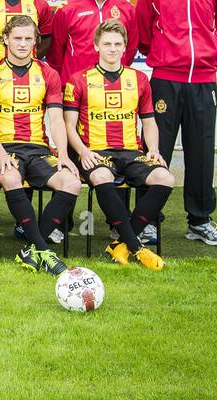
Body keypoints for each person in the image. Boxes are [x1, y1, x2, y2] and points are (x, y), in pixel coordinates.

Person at [134, 0, 217, 247]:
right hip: (165, 80)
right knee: (156, 151)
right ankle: (148, 221)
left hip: (203, 82)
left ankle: (199, 221)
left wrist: (207, 57)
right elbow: (143, 29)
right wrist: (162, 56)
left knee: (201, 152)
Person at [63, 19, 172, 269]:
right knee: (101, 176)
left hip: (131, 152)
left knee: (165, 179)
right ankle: (136, 246)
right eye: (107, 44)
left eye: (118, 44)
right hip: (96, 152)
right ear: (96, 46)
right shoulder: (79, 79)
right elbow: (69, 126)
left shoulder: (139, 79)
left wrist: (153, 149)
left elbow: (149, 122)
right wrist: (82, 151)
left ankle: (122, 242)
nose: (112, 49)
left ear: (125, 48)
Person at [0, 15, 79, 275]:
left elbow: (56, 119)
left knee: (72, 182)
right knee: (9, 178)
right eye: (17, 38)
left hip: (38, 149)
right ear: (6, 39)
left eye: (28, 38)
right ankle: (44, 249)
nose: (22, 44)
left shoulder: (47, 73)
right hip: (5, 147)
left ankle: (33, 248)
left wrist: (64, 154)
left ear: (35, 41)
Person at [48, 0, 138, 83]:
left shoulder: (127, 9)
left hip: (115, 86)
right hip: (76, 90)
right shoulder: (67, 10)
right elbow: (55, 56)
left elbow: (130, 50)